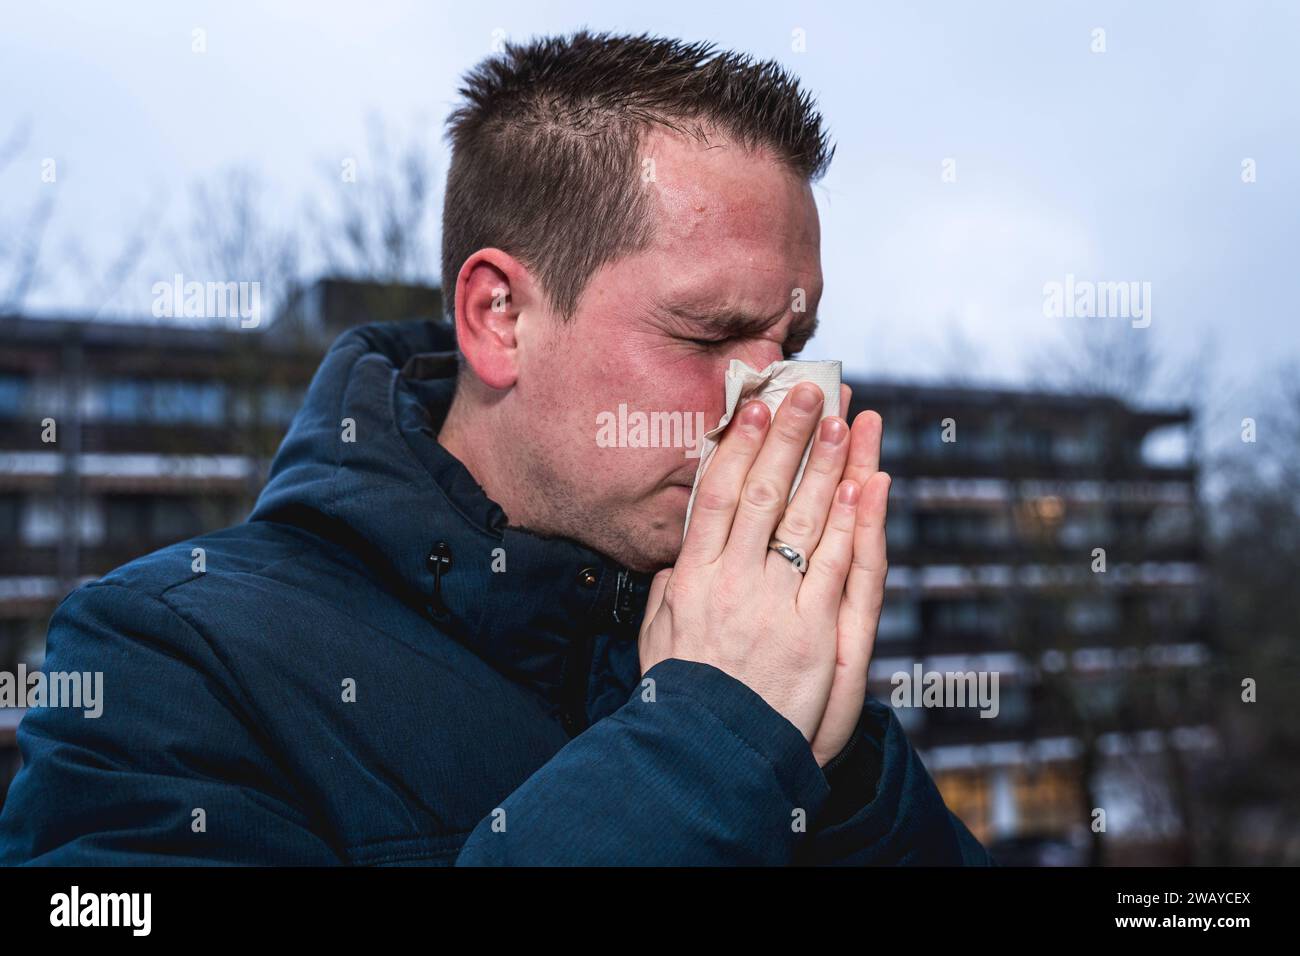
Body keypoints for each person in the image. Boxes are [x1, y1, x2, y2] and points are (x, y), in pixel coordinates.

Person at [0, 31, 992, 865]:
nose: (782, 407)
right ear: (499, 314)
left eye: (793, 349)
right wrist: (702, 748)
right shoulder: (169, 656)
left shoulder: (757, 637)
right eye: (705, 335)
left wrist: (842, 775)